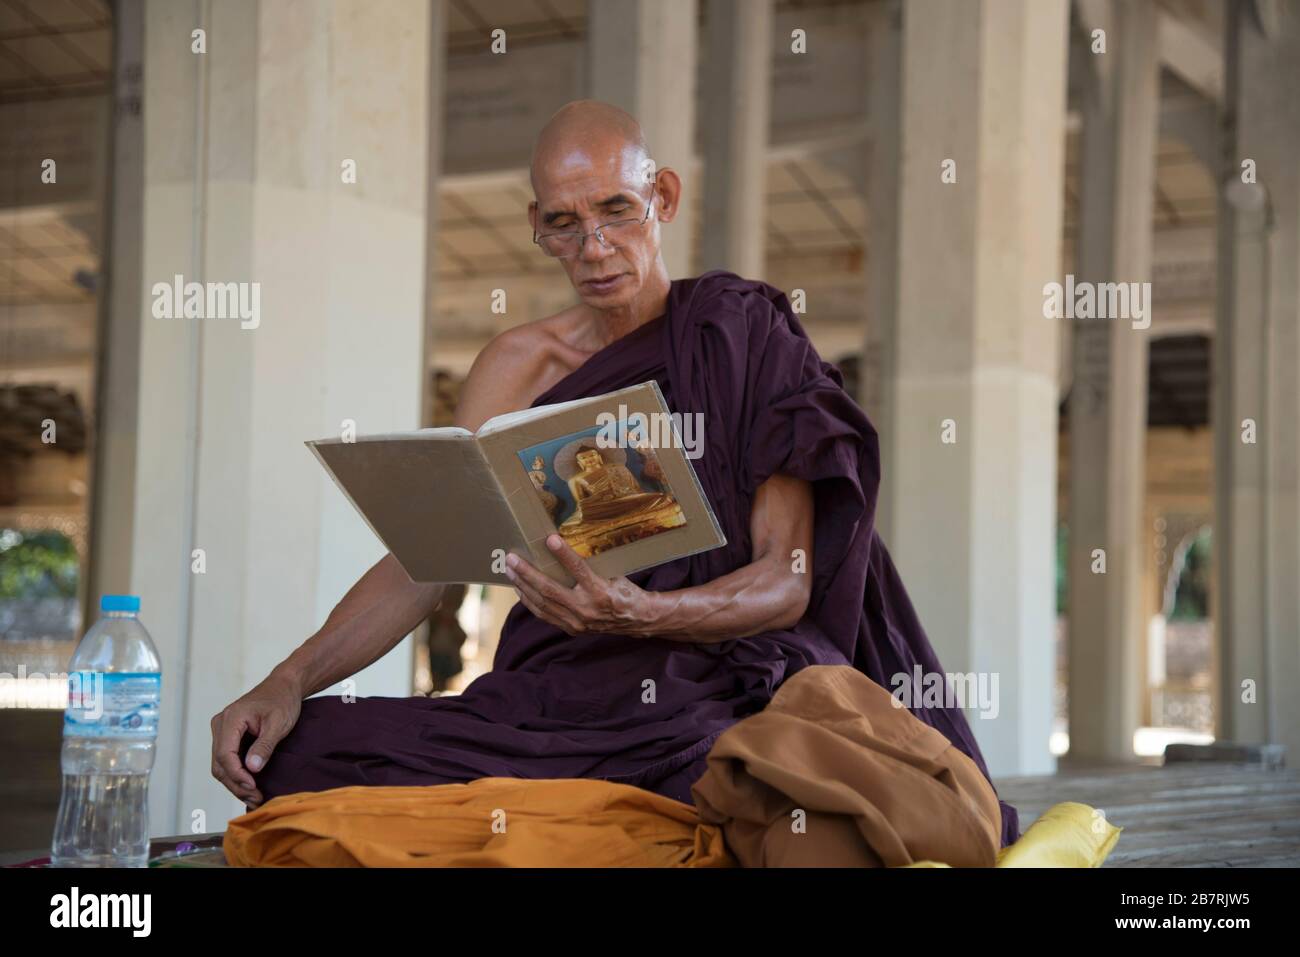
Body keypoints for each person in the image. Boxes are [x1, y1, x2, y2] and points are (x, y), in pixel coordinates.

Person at [210, 99, 1020, 847]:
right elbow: (427, 563)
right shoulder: (516, 367)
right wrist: (287, 679)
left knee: (770, 783)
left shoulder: (742, 335)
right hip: (554, 698)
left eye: (615, 210)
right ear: (536, 224)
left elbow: (788, 582)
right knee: (300, 751)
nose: (593, 249)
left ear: (662, 197)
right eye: (563, 224)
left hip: (713, 686)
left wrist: (643, 613)